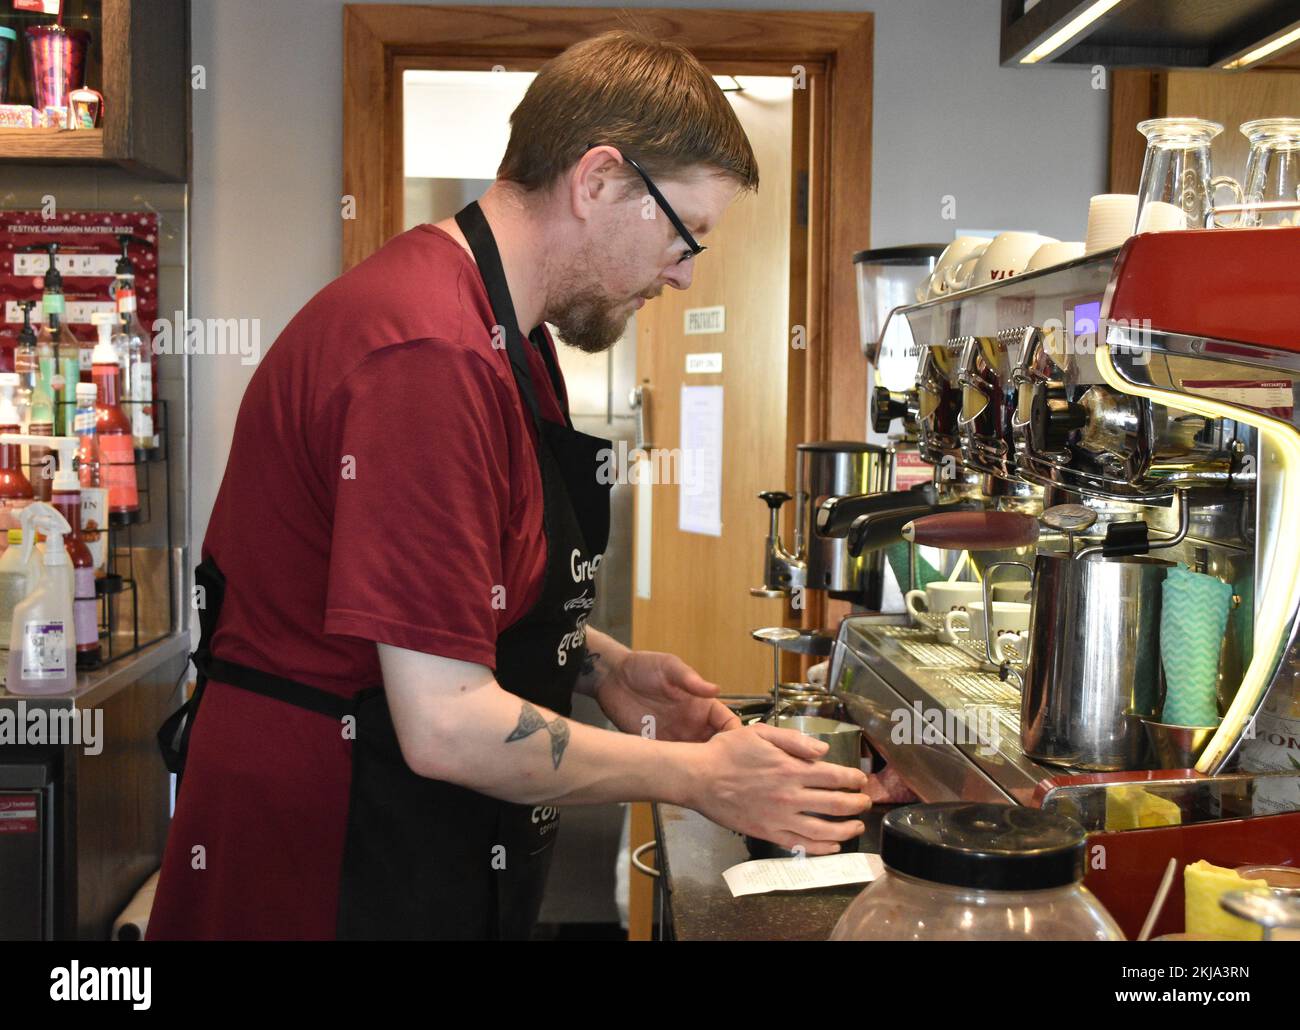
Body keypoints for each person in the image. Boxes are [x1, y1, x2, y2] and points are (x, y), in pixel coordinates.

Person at [148, 29, 869, 941]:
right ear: (600, 179)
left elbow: (448, 588)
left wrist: (600, 664)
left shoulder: (509, 336)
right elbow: (447, 724)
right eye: (686, 234)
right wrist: (702, 778)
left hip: (400, 818)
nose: (684, 274)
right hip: (327, 848)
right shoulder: (429, 355)